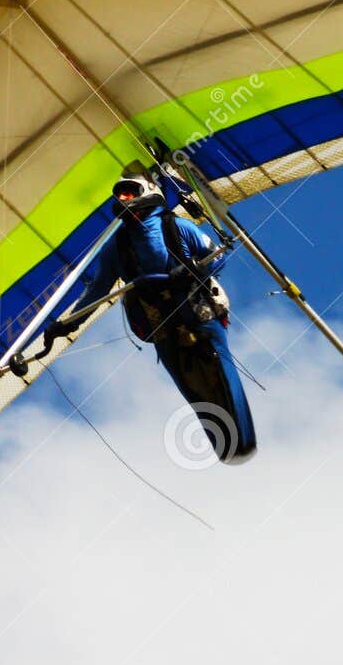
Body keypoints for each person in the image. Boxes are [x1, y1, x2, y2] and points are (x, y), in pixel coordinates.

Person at [75, 173, 257, 463]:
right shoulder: (117, 247)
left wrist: (194, 270)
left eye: (130, 192)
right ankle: (225, 449)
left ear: (147, 190)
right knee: (194, 389)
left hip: (200, 315)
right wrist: (64, 324)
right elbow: (97, 289)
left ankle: (243, 443)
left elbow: (217, 256)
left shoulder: (176, 226)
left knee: (218, 374)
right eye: (120, 195)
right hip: (164, 330)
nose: (125, 199)